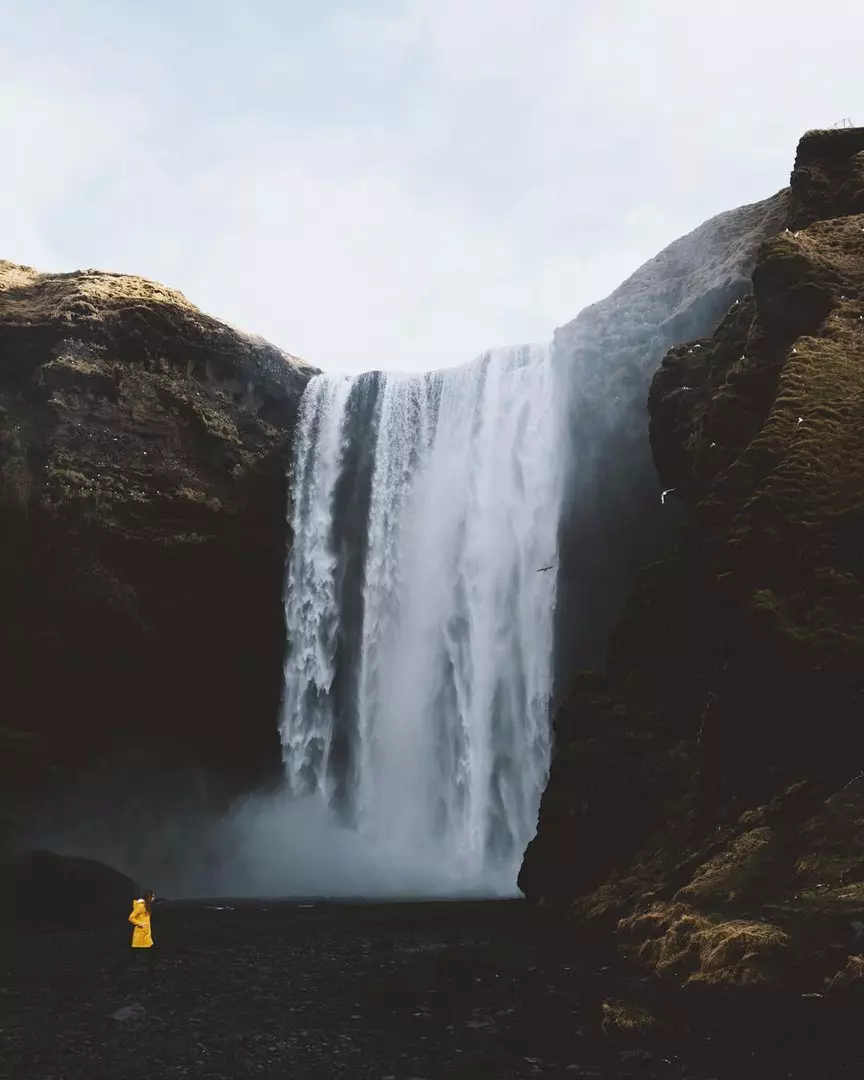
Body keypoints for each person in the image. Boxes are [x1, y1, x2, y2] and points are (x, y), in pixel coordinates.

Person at [128, 890, 156, 984]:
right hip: (140, 936)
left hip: (145, 935)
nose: (153, 898)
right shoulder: (140, 906)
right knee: (141, 957)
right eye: (152, 897)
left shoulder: (146, 906)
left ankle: (148, 976)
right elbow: (131, 917)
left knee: (147, 956)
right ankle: (143, 977)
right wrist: (140, 924)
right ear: (149, 897)